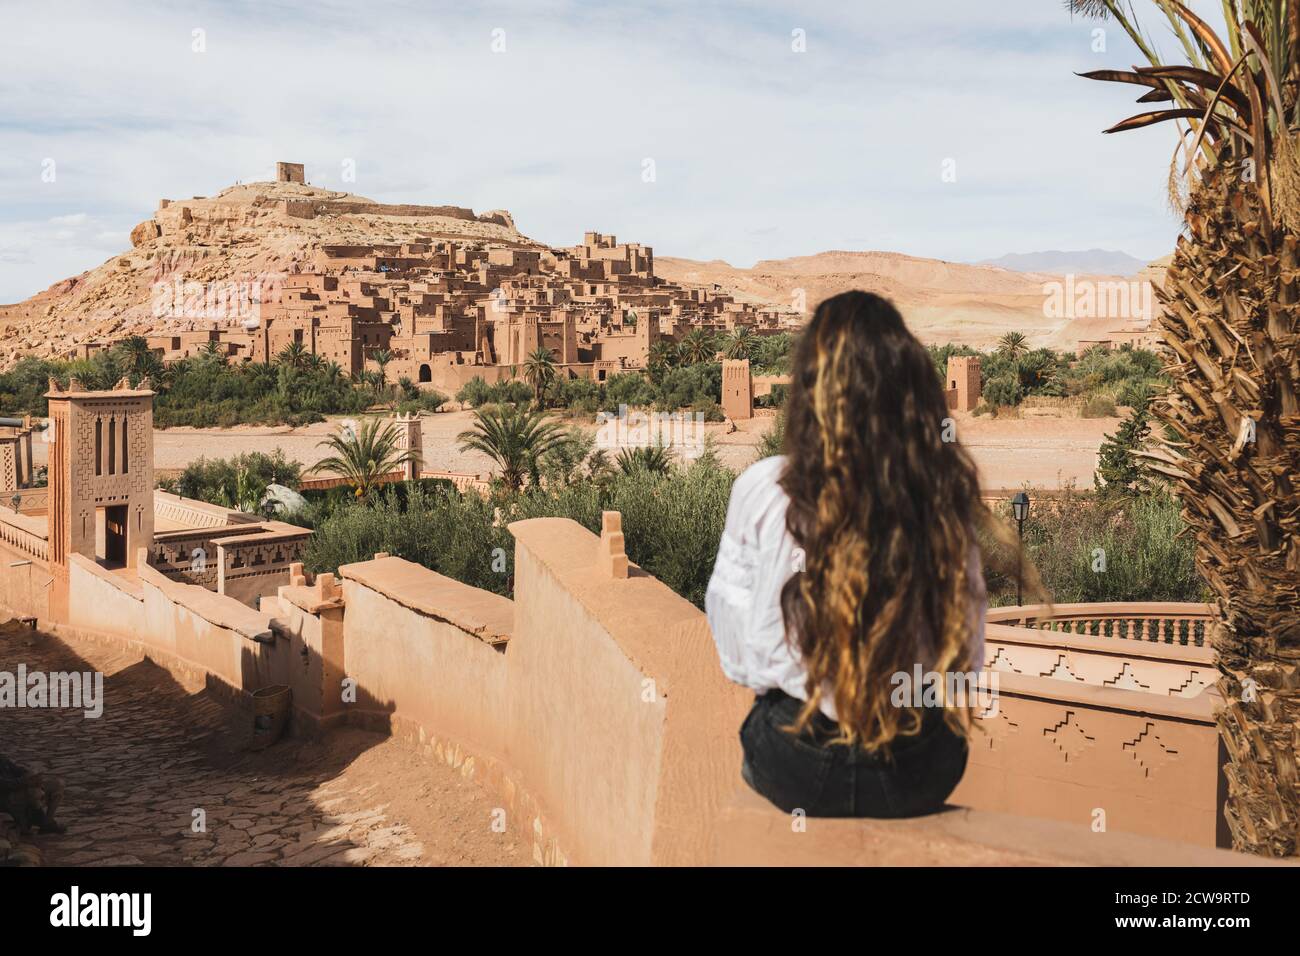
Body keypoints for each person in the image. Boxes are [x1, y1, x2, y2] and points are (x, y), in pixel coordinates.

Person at [705, 290, 991, 818]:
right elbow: (965, 663)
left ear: (811, 390)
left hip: (795, 763)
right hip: (919, 767)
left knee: (768, 716)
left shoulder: (766, 488)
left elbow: (740, 657)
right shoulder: (942, 493)